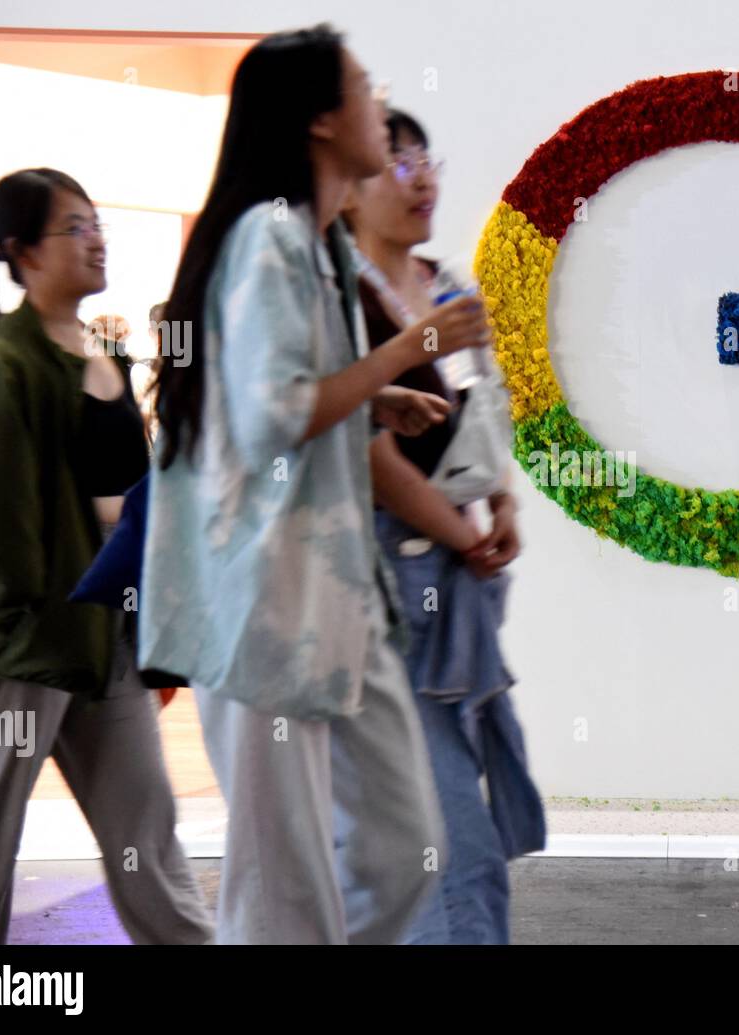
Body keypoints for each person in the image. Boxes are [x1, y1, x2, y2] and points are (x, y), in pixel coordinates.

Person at [141, 25, 492, 944]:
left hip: (335, 605)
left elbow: (304, 404)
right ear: (324, 120)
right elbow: (270, 415)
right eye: (368, 93)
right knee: (282, 885)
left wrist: (381, 407)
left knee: (399, 845)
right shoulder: (269, 238)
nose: (385, 114)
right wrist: (413, 350)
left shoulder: (321, 248)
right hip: (264, 605)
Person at [0, 168, 213, 944]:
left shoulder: (104, 359)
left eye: (98, 226)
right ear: (21, 251)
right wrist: (122, 522)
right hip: (17, 642)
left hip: (101, 640)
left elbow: (133, 486)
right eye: (75, 228)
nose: (95, 241)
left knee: (146, 839)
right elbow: (3, 523)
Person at [342, 108, 546, 944]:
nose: (421, 177)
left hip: (457, 576)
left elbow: (486, 414)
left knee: (449, 820)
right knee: (445, 833)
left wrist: (500, 501)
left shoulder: (449, 283)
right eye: (396, 161)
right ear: (349, 184)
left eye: (427, 159)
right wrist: (465, 535)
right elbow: (366, 451)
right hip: (384, 580)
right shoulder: (343, 292)